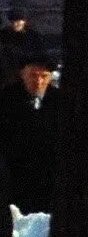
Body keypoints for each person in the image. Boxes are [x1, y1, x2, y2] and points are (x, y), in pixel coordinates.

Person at [0, 41, 62, 215]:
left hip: (49, 179)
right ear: (22, 74)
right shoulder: (6, 100)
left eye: (44, 76)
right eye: (33, 75)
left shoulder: (60, 101)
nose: (39, 81)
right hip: (15, 178)